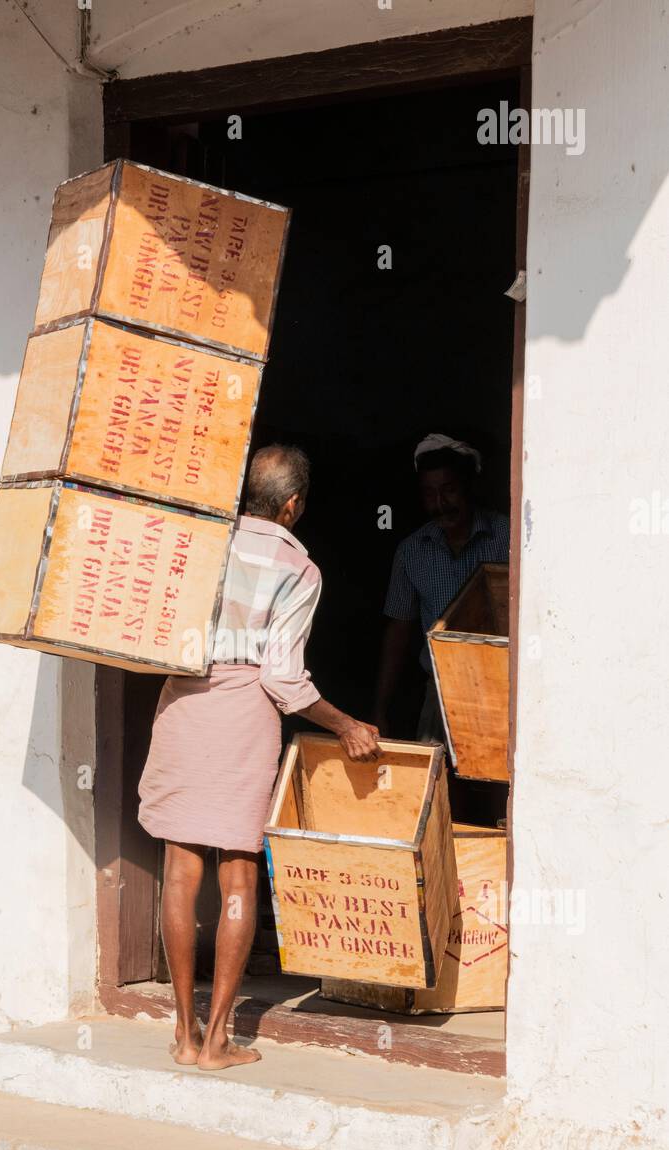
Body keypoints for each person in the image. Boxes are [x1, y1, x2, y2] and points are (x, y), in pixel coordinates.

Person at [138, 443, 379, 1071]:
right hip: (243, 717)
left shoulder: (202, 540)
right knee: (238, 877)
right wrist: (345, 723)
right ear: (295, 505)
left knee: (180, 871)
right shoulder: (299, 570)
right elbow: (284, 681)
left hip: (183, 706)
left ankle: (184, 1035)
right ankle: (220, 1040)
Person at [375, 433, 510, 743]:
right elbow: (399, 630)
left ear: (467, 487)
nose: (439, 504)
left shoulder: (509, 538)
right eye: (429, 494)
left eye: (448, 491)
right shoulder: (411, 552)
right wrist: (380, 708)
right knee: (437, 783)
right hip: (441, 693)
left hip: (503, 686)